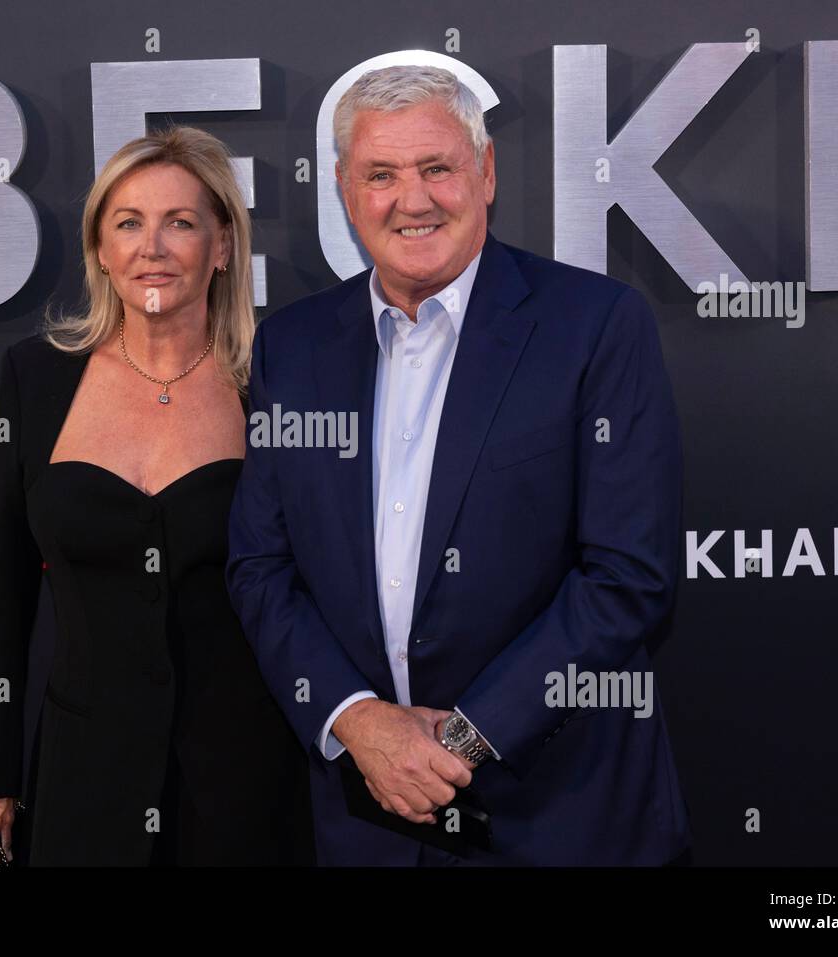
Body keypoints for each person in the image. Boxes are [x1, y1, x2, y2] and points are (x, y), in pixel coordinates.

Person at [226, 65, 693, 865]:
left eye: (437, 167)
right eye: (381, 175)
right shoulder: (292, 348)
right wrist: (358, 721)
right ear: (344, 189)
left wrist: (464, 740)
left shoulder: (594, 326)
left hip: (559, 815)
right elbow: (261, 565)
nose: (412, 200)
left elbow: (628, 576)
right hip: (366, 819)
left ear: (486, 173)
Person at [0, 126, 313, 866]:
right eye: (128, 223)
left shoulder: (276, 383)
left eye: (180, 222)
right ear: (100, 251)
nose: (152, 246)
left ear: (221, 248)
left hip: (246, 779)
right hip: (86, 777)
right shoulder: (36, 379)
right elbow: (3, 591)